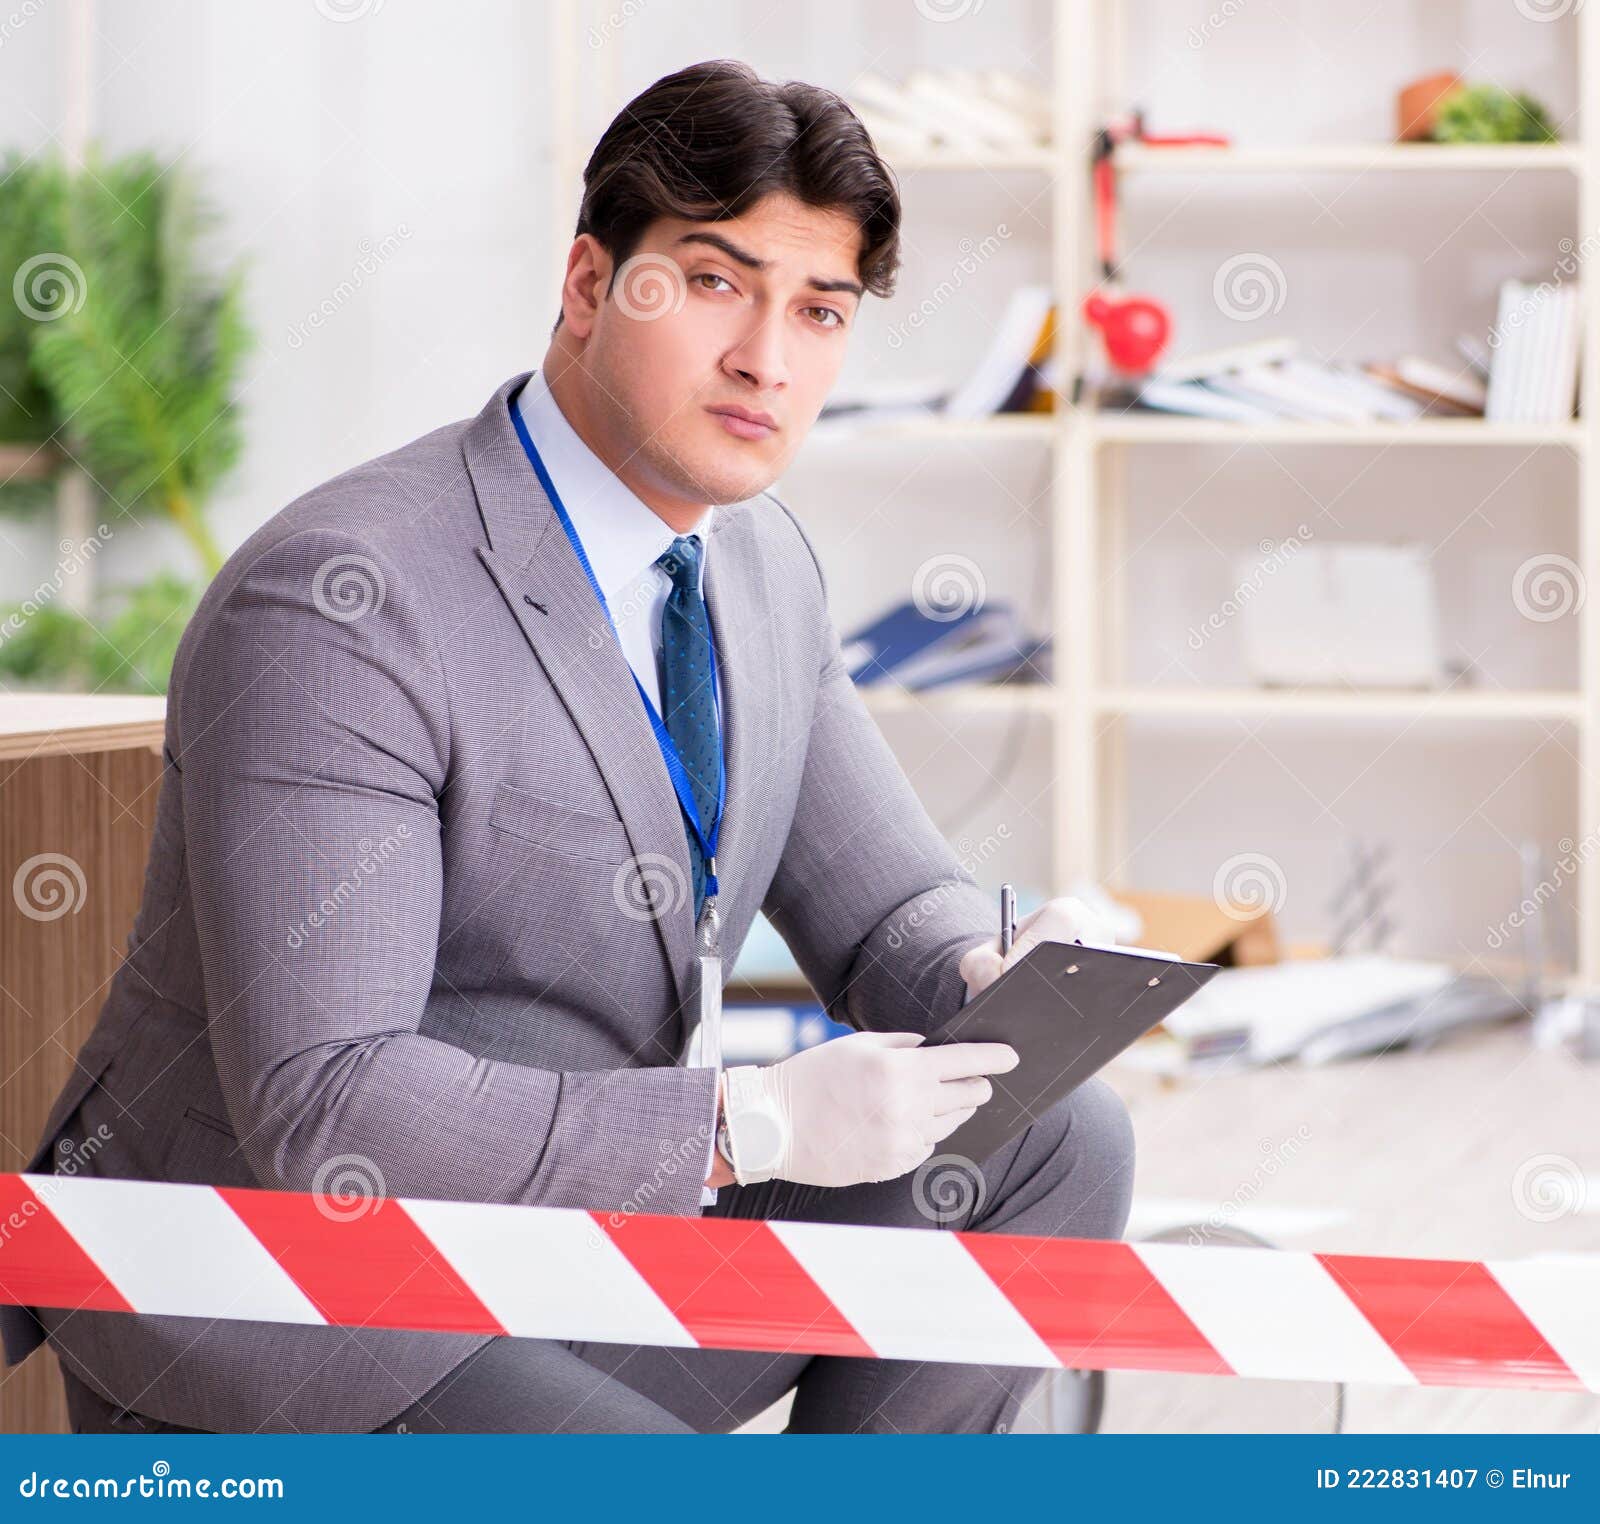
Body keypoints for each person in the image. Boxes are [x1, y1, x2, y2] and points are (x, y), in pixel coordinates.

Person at [3, 57, 1133, 1435]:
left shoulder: (755, 563)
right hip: (300, 1293)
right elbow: (328, 1103)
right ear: (593, 287)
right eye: (717, 284)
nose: (767, 360)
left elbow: (888, 900)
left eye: (819, 311)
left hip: (577, 1248)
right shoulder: (344, 598)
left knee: (1056, 1135)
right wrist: (746, 1128)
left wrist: (983, 963)